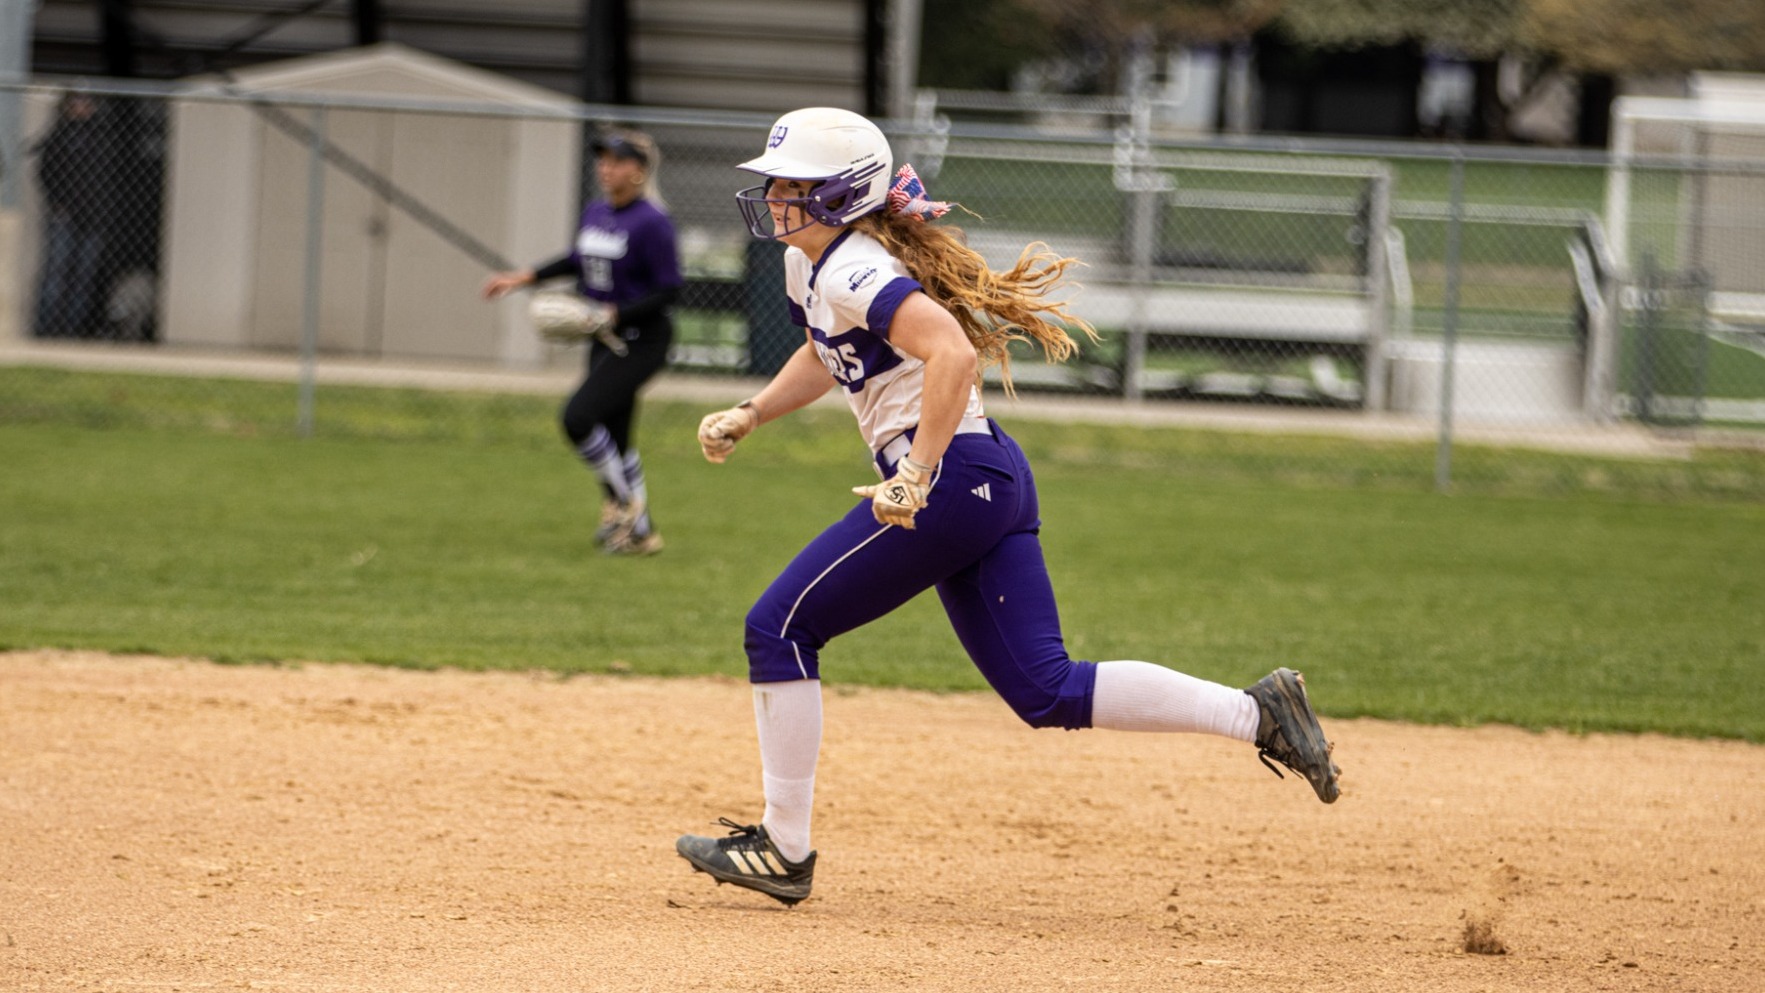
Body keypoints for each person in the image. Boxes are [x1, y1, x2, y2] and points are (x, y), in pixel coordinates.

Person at [675, 107, 1341, 906]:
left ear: (841, 195)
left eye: (793, 182)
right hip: (985, 474)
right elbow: (831, 354)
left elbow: (949, 350)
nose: (774, 193)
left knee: (778, 627)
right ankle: (1256, 713)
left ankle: (783, 850)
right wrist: (753, 412)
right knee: (1045, 689)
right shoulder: (809, 268)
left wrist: (915, 473)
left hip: (952, 479)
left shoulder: (856, 265)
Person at [483, 129, 682, 555]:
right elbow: (578, 258)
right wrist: (526, 276)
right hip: (603, 339)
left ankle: (626, 507)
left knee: (578, 417)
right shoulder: (597, 212)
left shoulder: (652, 222)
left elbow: (670, 290)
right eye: (603, 159)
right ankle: (639, 533)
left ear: (640, 170)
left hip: (642, 340)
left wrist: (614, 313)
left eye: (618, 160)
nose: (606, 167)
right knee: (616, 434)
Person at [33, 88, 116, 338]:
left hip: (94, 217)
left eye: (87, 101)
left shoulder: (102, 137)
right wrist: (57, 202)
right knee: (55, 273)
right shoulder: (58, 135)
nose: (82, 106)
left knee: (84, 276)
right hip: (64, 216)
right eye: (76, 101)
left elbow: (109, 179)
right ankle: (46, 329)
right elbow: (45, 172)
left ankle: (73, 330)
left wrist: (104, 208)